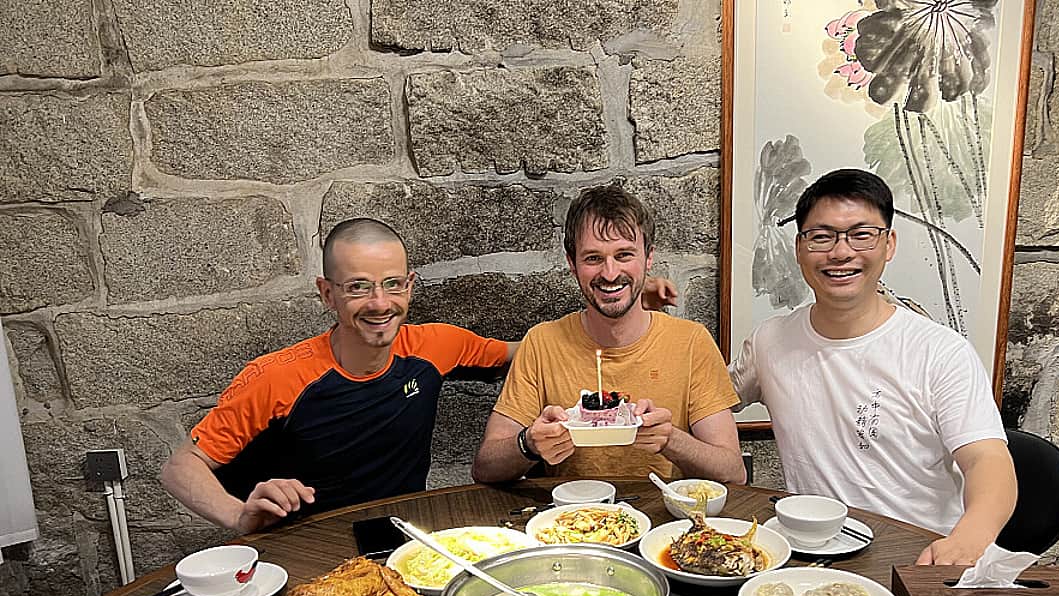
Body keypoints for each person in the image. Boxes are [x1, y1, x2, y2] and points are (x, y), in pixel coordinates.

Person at [161, 218, 678, 534]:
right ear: (326, 293)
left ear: (409, 286)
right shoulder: (276, 377)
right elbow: (181, 467)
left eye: (392, 284)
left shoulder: (435, 346)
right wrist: (239, 516)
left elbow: (541, 349)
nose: (379, 303)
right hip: (300, 542)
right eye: (358, 287)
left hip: (400, 534)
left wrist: (624, 304)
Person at [728, 169, 1016, 565]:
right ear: (799, 247)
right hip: (814, 554)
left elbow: (987, 459)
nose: (840, 252)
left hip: (919, 557)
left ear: (889, 244)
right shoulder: (769, 341)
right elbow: (705, 403)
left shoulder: (940, 351)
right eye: (821, 236)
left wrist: (970, 539)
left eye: (861, 234)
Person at [472, 184, 746, 485]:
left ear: (648, 257)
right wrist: (528, 444)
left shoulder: (691, 342)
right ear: (572, 264)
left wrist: (671, 439)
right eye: (593, 258)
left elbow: (733, 471)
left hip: (664, 515)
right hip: (570, 513)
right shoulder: (541, 343)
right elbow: (485, 467)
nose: (610, 273)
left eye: (624, 254)